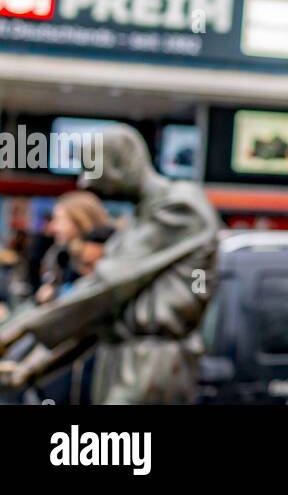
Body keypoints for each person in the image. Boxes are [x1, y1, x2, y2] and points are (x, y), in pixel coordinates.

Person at [0, 125, 220, 404]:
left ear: (121, 163)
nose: (85, 184)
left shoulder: (179, 207)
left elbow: (105, 286)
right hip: (127, 356)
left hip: (153, 360)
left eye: (92, 169)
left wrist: (14, 331)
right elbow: (103, 314)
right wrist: (30, 370)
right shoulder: (140, 222)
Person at [34, 193, 112, 304]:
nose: (54, 227)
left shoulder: (102, 248)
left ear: (80, 220)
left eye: (59, 219)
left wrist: (55, 294)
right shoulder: (61, 253)